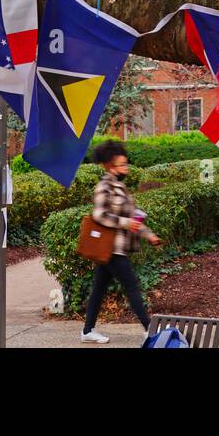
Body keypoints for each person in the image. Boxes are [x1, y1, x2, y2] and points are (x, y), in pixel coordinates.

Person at [81, 139, 161, 343]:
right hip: (112, 248)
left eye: (126, 164)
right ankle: (149, 329)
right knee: (132, 287)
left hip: (115, 248)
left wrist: (148, 234)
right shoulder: (104, 186)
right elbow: (99, 214)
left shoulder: (119, 186)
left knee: (99, 288)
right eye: (122, 165)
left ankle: (87, 331)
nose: (126, 168)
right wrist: (125, 223)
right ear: (109, 166)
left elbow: (133, 216)